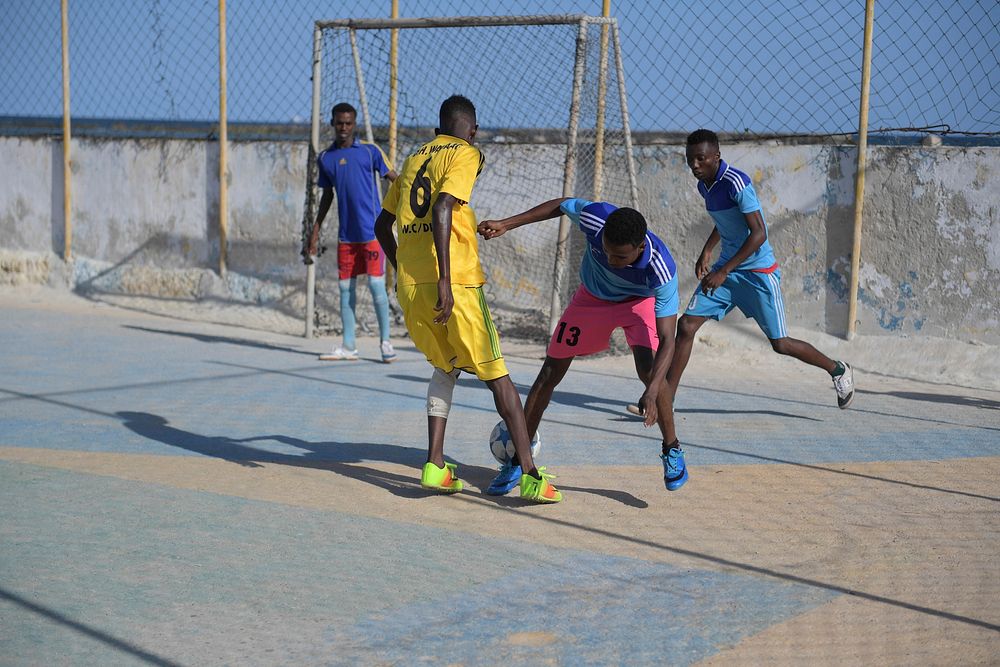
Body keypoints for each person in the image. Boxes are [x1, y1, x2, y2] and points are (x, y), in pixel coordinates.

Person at [374, 95, 562, 504]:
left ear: (436, 128)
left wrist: (403, 268)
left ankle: (435, 465)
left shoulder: (413, 158)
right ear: (472, 130)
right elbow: (443, 206)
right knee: (497, 374)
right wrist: (444, 278)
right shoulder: (465, 153)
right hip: (455, 283)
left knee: (445, 368)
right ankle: (530, 475)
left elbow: (381, 225)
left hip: (411, 285)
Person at [478, 198, 689, 494]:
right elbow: (561, 205)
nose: (610, 260)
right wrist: (506, 223)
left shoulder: (661, 269)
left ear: (640, 247)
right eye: (606, 250)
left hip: (638, 303)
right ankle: (517, 462)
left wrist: (652, 390)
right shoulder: (595, 219)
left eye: (620, 256)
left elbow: (668, 339)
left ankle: (672, 448)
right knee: (549, 373)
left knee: (649, 369)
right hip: (591, 300)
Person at [667, 128, 855, 408]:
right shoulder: (704, 185)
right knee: (686, 325)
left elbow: (758, 233)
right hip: (728, 270)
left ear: (716, 156)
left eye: (701, 159)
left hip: (758, 274)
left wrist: (723, 271)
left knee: (781, 344)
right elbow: (726, 222)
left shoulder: (737, 183)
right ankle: (664, 399)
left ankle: (838, 369)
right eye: (690, 159)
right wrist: (707, 250)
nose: (694, 165)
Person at [303, 102, 399, 363]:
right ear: (333, 124)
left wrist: (408, 207)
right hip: (346, 238)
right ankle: (349, 346)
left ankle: (386, 343)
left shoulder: (370, 152)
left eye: (348, 123)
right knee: (346, 290)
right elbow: (327, 196)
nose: (344, 127)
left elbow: (396, 180)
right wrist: (315, 231)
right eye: (339, 123)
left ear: (354, 124)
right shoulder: (326, 158)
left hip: (373, 235)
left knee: (377, 287)